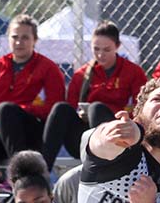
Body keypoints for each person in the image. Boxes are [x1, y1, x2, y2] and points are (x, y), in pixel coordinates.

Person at [0, 14, 65, 193]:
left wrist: (22, 109)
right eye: (15, 37)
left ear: (35, 40)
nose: (19, 42)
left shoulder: (48, 68)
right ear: (8, 39)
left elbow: (54, 106)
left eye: (25, 37)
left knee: (6, 110)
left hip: (28, 131)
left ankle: (19, 176)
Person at [40, 21, 147, 170]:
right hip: (84, 137)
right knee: (61, 108)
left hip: (115, 137)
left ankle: (102, 166)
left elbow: (141, 108)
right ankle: (42, 169)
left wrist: (121, 116)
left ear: (117, 46)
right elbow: (71, 106)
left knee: (97, 108)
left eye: (107, 49)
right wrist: (81, 114)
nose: (100, 54)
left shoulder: (133, 72)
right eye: (96, 49)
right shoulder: (82, 75)